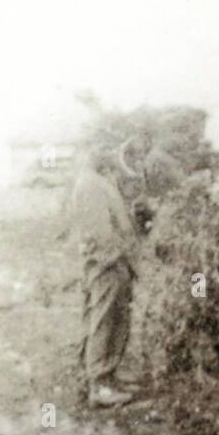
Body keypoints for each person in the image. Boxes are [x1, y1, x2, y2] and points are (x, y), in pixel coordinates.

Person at [69, 143, 144, 408]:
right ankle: (99, 385)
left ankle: (107, 377)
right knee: (103, 321)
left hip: (112, 261)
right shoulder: (89, 184)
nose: (111, 156)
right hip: (107, 264)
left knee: (113, 320)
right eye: (103, 152)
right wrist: (114, 260)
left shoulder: (98, 181)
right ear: (92, 154)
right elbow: (99, 232)